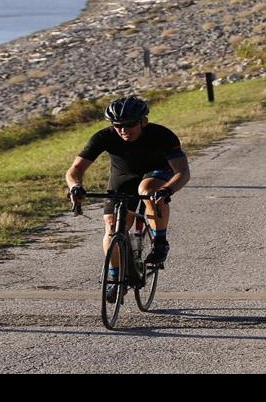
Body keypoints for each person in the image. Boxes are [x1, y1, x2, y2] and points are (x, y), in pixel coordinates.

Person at [65, 96, 190, 275]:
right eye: (117, 125)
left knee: (147, 190)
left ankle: (160, 242)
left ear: (143, 121)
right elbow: (75, 169)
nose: (123, 130)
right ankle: (114, 276)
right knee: (112, 227)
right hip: (123, 176)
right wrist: (75, 186)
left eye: (129, 124)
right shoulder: (104, 137)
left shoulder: (162, 135)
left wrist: (167, 190)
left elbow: (183, 172)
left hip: (158, 172)